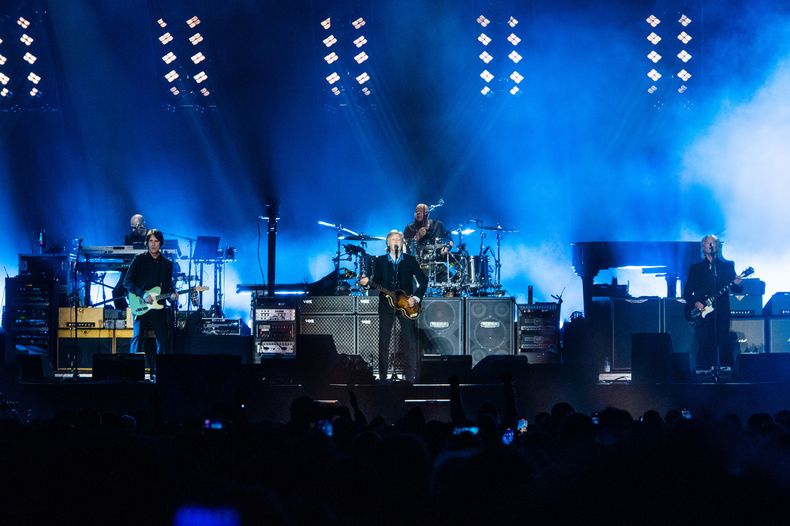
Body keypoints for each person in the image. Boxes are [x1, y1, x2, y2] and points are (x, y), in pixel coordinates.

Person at [359, 230, 428, 383]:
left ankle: (410, 377)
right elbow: (375, 282)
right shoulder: (381, 261)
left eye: (399, 239)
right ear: (388, 243)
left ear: (402, 243)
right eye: (393, 239)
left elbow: (423, 281)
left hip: (407, 305)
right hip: (386, 304)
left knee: (409, 340)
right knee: (384, 341)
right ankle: (383, 377)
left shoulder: (410, 260)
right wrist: (366, 284)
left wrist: (415, 298)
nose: (396, 241)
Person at [123, 229, 178, 379]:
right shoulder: (139, 259)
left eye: (156, 241)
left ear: (161, 243)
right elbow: (127, 282)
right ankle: (131, 373)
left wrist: (172, 296)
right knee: (137, 337)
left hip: (157, 306)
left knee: (163, 339)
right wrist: (143, 293)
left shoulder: (167, 264)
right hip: (140, 303)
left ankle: (161, 374)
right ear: (147, 243)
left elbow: (166, 288)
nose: (153, 245)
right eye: (151, 241)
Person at [683, 234, 743, 371]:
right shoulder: (696, 268)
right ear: (703, 247)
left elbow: (735, 289)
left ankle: (725, 368)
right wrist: (695, 302)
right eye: (707, 243)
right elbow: (687, 292)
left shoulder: (727, 266)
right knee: (704, 340)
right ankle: (703, 370)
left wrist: (738, 284)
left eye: (713, 243)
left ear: (717, 246)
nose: (710, 245)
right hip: (702, 311)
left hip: (721, 310)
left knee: (723, 338)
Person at [112, 214, 147, 309]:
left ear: (142, 225)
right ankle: (125, 314)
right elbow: (126, 255)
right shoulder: (129, 237)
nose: (133, 230)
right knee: (117, 292)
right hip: (129, 269)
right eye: (132, 227)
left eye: (135, 227)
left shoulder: (151, 236)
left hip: (145, 271)